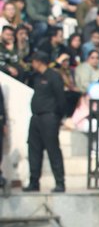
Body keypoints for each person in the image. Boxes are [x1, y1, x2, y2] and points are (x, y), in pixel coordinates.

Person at [23, 52, 66, 192]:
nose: (32, 64)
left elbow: (60, 97)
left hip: (49, 117)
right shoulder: (36, 77)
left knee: (53, 150)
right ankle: (34, 182)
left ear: (39, 61)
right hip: (36, 117)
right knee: (33, 149)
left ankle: (60, 182)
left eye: (34, 62)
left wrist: (59, 116)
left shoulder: (53, 76)